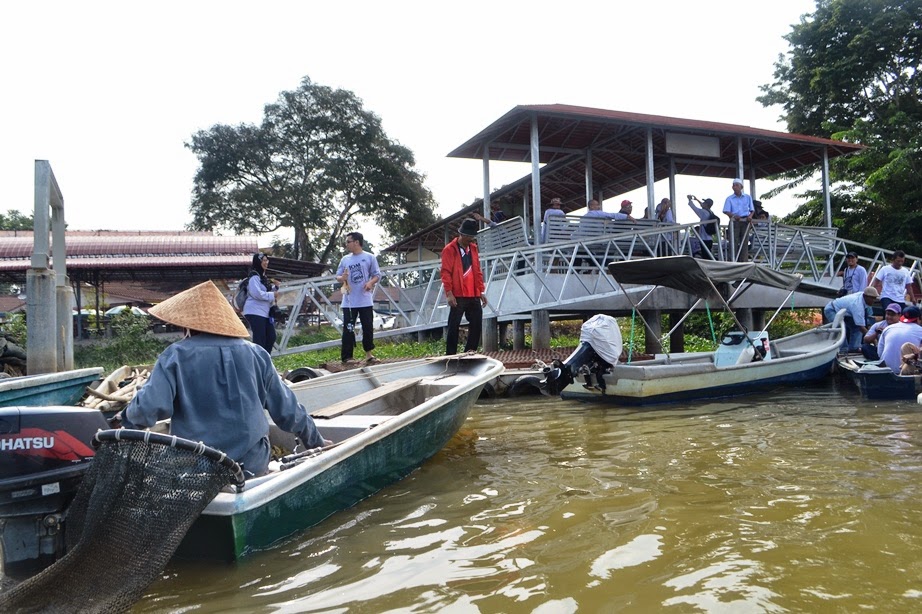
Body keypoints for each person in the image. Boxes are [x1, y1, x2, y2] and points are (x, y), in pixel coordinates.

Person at [119, 281, 327, 478]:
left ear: (187, 327)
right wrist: (316, 442)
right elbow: (289, 410)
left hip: (195, 467)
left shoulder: (175, 356)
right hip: (250, 466)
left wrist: (125, 422)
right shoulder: (257, 354)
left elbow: (147, 408)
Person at [441, 219, 487, 355]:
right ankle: (450, 355)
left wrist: (481, 291)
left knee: (477, 323)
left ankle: (470, 353)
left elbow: (477, 271)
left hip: (473, 293)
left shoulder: (473, 248)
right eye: (469, 236)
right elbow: (445, 272)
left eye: (472, 236)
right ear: (462, 234)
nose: (471, 239)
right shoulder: (449, 249)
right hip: (458, 294)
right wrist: (449, 293)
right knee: (453, 325)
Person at [335, 232, 381, 364]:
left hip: (365, 300)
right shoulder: (345, 259)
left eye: (348, 242)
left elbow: (377, 275)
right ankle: (347, 357)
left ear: (356, 242)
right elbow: (337, 276)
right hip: (349, 301)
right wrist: (342, 278)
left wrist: (370, 283)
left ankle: (369, 354)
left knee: (368, 327)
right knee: (348, 329)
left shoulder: (369, 257)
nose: (346, 244)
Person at [242, 252, 279, 354]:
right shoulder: (254, 276)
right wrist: (272, 295)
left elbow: (266, 291)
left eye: (267, 260)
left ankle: (265, 358)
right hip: (255, 311)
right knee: (260, 339)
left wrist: (275, 288)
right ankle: (258, 360)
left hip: (264, 312)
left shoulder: (263, 277)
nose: (266, 262)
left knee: (271, 337)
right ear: (258, 262)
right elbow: (256, 293)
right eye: (263, 260)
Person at [823, 286, 879, 351]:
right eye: (872, 298)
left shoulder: (862, 297)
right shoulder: (857, 306)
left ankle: (854, 348)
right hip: (832, 310)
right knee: (841, 328)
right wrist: (873, 339)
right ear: (865, 296)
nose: (874, 301)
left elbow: (866, 320)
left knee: (856, 327)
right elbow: (861, 327)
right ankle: (843, 350)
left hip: (845, 313)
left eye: (875, 298)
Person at [877, 305, 922, 374]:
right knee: (907, 346)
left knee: (906, 346)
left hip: (886, 370)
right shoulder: (920, 330)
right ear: (918, 318)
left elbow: (880, 353)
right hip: (907, 373)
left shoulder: (888, 328)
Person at [722, 178, 754, 261]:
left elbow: (752, 210)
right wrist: (734, 216)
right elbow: (726, 211)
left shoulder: (747, 197)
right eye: (734, 185)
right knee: (733, 242)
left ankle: (744, 261)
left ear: (741, 187)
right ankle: (733, 261)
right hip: (735, 221)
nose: (735, 187)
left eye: (736, 185)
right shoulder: (729, 198)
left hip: (745, 221)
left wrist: (750, 216)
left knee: (744, 242)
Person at [687, 195, 720, 259]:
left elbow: (695, 208)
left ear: (706, 204)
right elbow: (702, 205)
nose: (702, 203)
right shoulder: (710, 212)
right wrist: (697, 199)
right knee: (708, 254)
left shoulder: (704, 212)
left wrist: (690, 200)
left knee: (706, 256)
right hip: (709, 238)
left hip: (704, 239)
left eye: (704, 203)